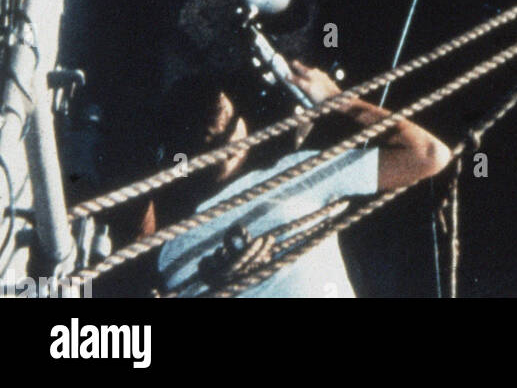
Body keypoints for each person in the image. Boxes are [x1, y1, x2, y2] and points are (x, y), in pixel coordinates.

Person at [156, 61, 452, 298]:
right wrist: (338, 99)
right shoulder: (299, 172)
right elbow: (429, 153)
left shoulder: (172, 253)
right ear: (239, 129)